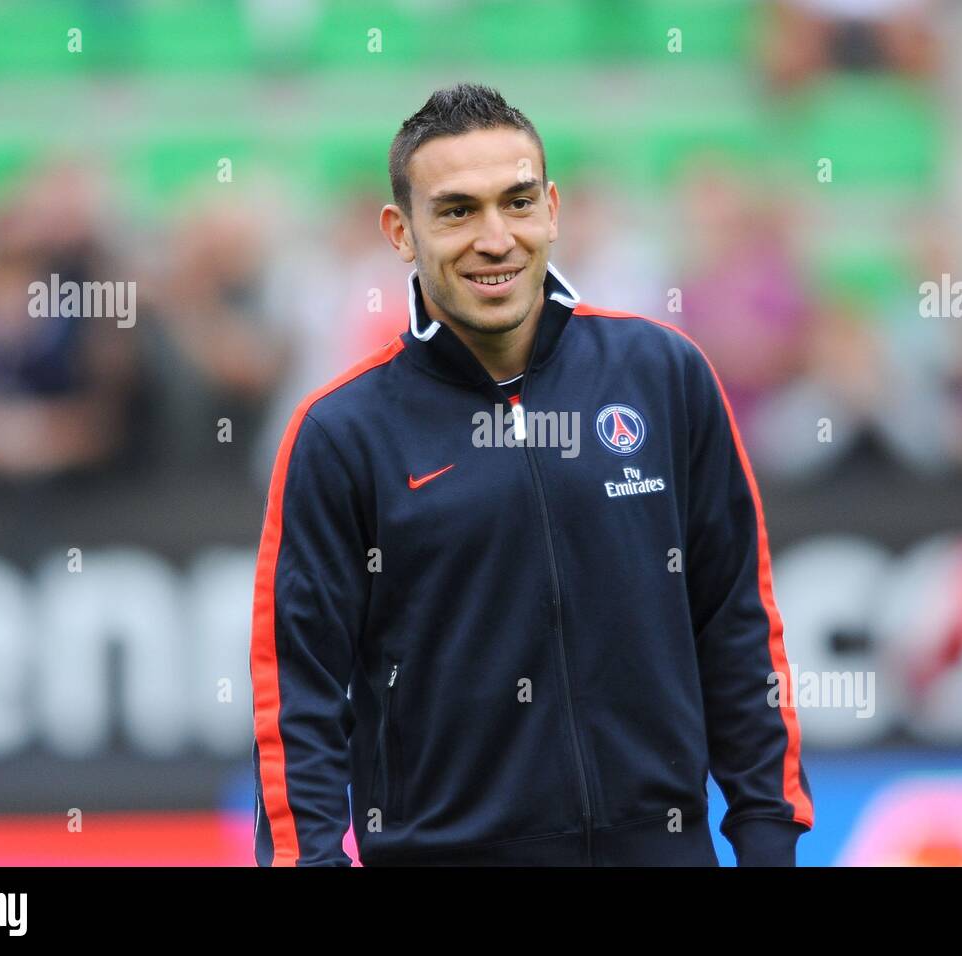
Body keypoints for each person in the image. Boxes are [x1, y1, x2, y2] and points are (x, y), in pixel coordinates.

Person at [250, 83, 814, 866]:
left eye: (516, 202)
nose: (495, 238)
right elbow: (297, 699)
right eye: (456, 211)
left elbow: (738, 626)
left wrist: (767, 833)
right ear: (401, 232)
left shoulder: (663, 374)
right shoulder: (341, 433)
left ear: (551, 208)